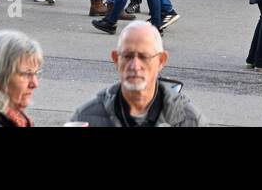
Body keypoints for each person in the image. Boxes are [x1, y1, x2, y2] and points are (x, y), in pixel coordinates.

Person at [72, 22, 205, 126]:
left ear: (161, 60)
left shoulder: (188, 120)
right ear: (116, 59)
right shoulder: (87, 118)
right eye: (127, 56)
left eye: (144, 57)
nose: (135, 66)